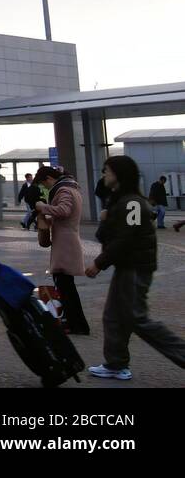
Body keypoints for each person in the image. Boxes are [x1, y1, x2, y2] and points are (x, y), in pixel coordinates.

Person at [85, 155, 185, 380]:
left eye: (107, 171)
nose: (104, 175)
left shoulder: (131, 203)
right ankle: (115, 364)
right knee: (113, 316)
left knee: (137, 319)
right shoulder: (119, 200)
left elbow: (125, 239)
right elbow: (106, 235)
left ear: (119, 174)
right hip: (127, 267)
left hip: (135, 268)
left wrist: (98, 264)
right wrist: (106, 218)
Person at [33, 165, 89, 335]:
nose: (46, 187)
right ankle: (76, 324)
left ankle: (77, 325)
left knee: (65, 287)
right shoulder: (71, 188)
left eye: (44, 184)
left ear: (49, 178)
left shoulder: (63, 190)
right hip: (67, 241)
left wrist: (42, 207)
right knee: (66, 286)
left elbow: (64, 210)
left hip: (65, 243)